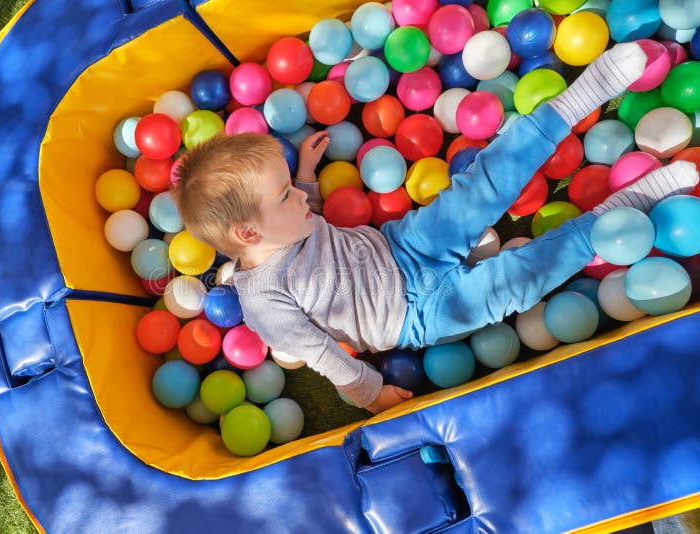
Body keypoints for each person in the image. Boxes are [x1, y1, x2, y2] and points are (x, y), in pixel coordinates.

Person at [171, 42, 699, 414]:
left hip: (403, 247)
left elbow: (299, 218)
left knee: (479, 189)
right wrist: (372, 393)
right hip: (418, 317)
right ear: (247, 235)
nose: (299, 200)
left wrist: (304, 179)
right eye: (284, 195)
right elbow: (324, 356)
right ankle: (623, 212)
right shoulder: (265, 301)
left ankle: (579, 98)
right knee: (519, 279)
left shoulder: (281, 222)